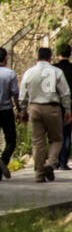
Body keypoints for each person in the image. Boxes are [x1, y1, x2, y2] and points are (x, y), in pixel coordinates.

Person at [18, 46, 72, 182]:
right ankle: (51, 163)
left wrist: (23, 110)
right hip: (52, 108)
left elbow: (22, 94)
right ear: (50, 57)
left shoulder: (29, 72)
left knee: (37, 142)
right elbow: (65, 92)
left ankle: (39, 173)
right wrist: (67, 109)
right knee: (57, 139)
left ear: (37, 57)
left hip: (35, 107)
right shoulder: (57, 72)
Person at [54, 43, 72, 171]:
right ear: (70, 54)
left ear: (57, 54)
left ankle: (54, 160)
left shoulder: (53, 69)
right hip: (70, 105)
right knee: (67, 133)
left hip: (54, 104)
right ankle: (63, 162)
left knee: (55, 133)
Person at [0, 48, 17, 180]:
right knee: (11, 141)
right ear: (5, 58)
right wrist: (20, 109)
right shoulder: (10, 73)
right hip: (6, 111)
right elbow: (15, 93)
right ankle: (3, 161)